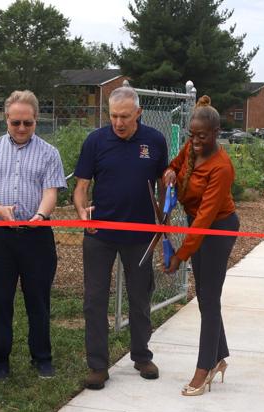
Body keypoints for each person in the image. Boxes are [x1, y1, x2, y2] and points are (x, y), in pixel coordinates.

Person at [0, 90, 66, 381]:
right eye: (16, 123)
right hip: (0, 237)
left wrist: (41, 216)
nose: (22, 128)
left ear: (37, 121)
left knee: (38, 299)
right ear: (6, 120)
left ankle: (42, 358)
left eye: (28, 123)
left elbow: (51, 193)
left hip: (37, 237)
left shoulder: (49, 153)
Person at [73, 86, 169, 390]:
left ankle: (141, 356)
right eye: (114, 116)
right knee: (94, 300)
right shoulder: (96, 141)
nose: (119, 122)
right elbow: (81, 187)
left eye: (125, 116)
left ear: (138, 113)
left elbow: (163, 182)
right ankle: (98, 365)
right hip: (100, 234)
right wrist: (81, 213)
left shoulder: (154, 141)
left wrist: (163, 216)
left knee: (140, 298)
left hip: (140, 235)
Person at [162, 96, 239, 396]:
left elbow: (205, 219)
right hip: (199, 225)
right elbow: (177, 164)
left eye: (202, 136)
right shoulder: (192, 147)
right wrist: (170, 171)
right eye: (192, 135)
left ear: (217, 132)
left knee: (209, 299)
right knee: (206, 296)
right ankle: (219, 356)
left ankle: (203, 368)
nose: (194, 141)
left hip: (217, 229)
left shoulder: (221, 167)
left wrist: (180, 256)